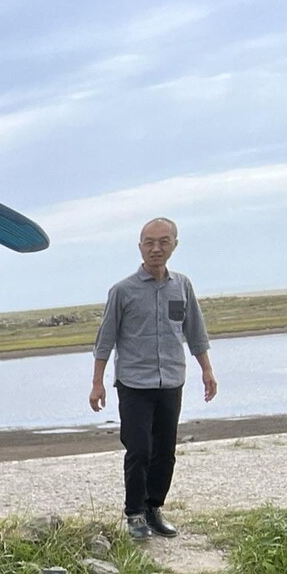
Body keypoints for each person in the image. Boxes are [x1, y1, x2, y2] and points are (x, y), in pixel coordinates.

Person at [90, 217, 217, 540]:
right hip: (134, 384)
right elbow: (105, 339)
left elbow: (195, 332)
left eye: (163, 241)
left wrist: (207, 370)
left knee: (165, 451)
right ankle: (134, 513)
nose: (156, 248)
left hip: (171, 381)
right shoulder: (123, 291)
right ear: (140, 247)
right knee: (138, 449)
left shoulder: (182, 285)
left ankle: (153, 507)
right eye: (149, 242)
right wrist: (97, 382)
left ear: (174, 244)